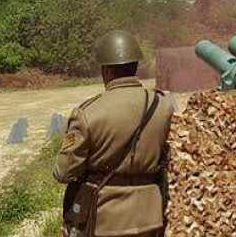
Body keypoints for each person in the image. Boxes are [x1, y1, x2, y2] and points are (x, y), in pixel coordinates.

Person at [55, 29, 175, 237]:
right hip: (152, 218)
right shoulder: (162, 106)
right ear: (135, 66)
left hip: (103, 221)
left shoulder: (88, 114)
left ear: (106, 71)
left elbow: (64, 173)